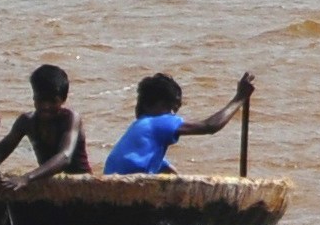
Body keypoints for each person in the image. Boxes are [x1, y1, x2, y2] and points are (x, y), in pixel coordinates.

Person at [102, 69, 251, 175]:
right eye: (170, 108)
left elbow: (165, 168)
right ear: (149, 105)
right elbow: (210, 126)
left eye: (176, 110)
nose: (173, 115)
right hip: (129, 186)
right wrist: (239, 98)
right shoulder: (157, 122)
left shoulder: (140, 128)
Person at [0, 63, 89, 184]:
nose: (46, 106)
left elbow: (65, 157)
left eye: (53, 101)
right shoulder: (26, 122)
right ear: (34, 97)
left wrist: (27, 178)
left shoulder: (71, 118)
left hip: (80, 184)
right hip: (49, 185)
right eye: (41, 100)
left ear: (63, 100)